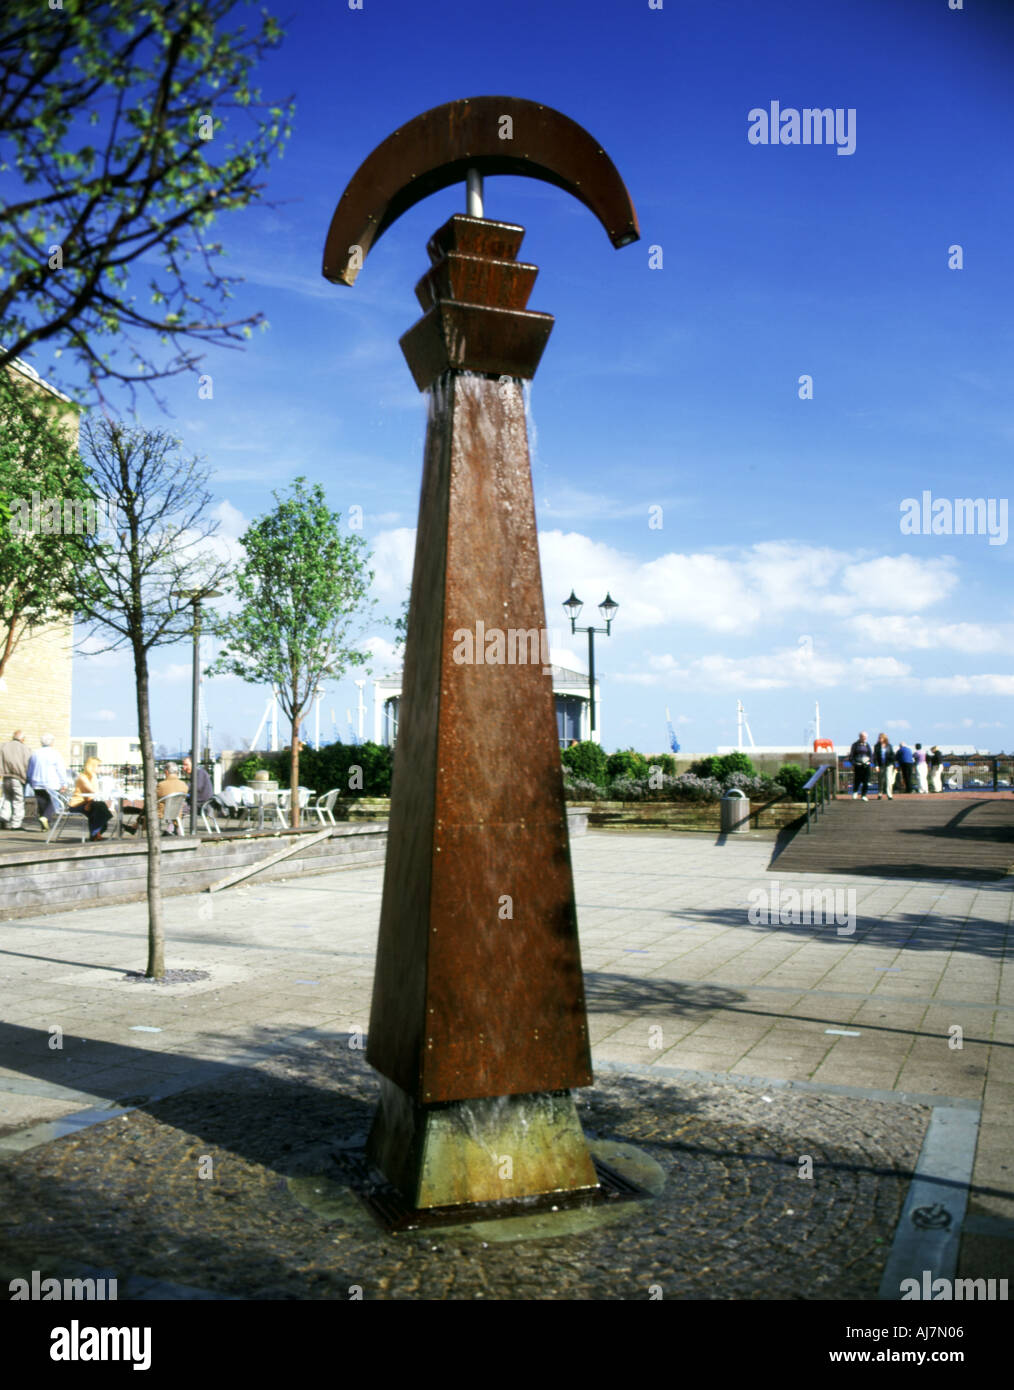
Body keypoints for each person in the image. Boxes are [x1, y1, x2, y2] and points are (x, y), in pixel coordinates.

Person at [26, 734, 71, 831]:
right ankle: (46, 818)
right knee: (53, 803)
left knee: (42, 803)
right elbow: (60, 770)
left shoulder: (35, 753)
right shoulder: (55, 754)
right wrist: (64, 783)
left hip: (37, 782)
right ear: (52, 742)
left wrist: (29, 779)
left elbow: (30, 768)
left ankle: (44, 826)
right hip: (51, 782)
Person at [69, 755, 112, 841]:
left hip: (87, 802)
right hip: (76, 805)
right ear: (92, 766)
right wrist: (88, 803)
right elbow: (91, 791)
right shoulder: (82, 777)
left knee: (99, 807)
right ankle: (96, 833)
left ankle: (96, 834)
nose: (100, 768)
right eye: (98, 766)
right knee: (99, 808)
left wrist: (89, 803)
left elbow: (92, 794)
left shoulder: (92, 777)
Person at [0, 730, 31, 830]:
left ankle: (4, 817)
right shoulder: (24, 748)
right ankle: (16, 824)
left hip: (5, 777)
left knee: (7, 797)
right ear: (22, 739)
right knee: (18, 800)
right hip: (18, 777)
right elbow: (27, 764)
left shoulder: (3, 746)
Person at [157, 761, 188, 834]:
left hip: (163, 812)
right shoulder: (183, 785)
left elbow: (153, 798)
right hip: (178, 812)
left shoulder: (161, 785)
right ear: (176, 772)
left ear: (166, 772)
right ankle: (174, 829)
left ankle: (136, 826)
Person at [849, 730, 874, 801]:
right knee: (857, 780)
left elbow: (871, 755)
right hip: (858, 765)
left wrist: (870, 762)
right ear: (860, 737)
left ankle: (864, 795)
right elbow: (851, 755)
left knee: (866, 781)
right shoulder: (855, 745)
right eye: (863, 737)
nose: (864, 738)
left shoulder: (867, 745)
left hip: (866, 765)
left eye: (865, 737)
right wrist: (854, 763)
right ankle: (855, 792)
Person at [873, 732, 895, 800]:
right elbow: (875, 757)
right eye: (879, 738)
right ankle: (880, 793)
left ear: (884, 738)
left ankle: (889, 795)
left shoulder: (889, 746)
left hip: (888, 765)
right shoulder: (876, 746)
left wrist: (893, 763)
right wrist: (876, 765)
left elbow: (892, 755)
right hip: (880, 765)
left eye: (881, 738)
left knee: (888, 779)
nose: (880, 739)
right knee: (881, 780)